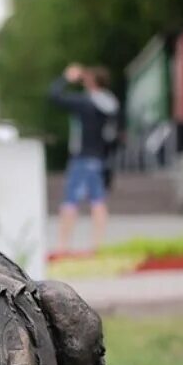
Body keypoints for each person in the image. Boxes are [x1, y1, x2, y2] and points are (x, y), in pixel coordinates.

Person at [48, 63, 119, 255]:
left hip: (81, 158)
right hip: (100, 159)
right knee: (98, 201)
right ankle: (98, 246)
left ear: (92, 81)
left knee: (70, 201)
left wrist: (66, 78)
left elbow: (54, 96)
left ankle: (62, 247)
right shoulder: (111, 104)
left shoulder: (85, 102)